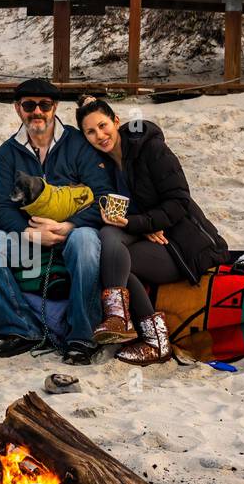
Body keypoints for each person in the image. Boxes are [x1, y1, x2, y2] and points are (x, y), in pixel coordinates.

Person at [76, 96, 229, 365]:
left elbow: (179, 200)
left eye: (103, 125)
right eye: (90, 131)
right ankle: (126, 323)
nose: (100, 135)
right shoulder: (103, 165)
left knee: (116, 256)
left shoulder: (151, 149)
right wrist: (141, 224)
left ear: (116, 121)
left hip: (181, 244)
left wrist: (143, 223)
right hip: (145, 233)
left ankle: (147, 335)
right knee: (109, 239)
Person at [0, 78, 113, 366]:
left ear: (55, 107)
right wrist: (28, 232)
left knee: (87, 240)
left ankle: (82, 337)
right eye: (29, 105)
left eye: (44, 105)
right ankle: (20, 329)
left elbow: (102, 194)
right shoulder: (9, 151)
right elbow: (1, 206)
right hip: (29, 239)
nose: (37, 111)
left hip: (72, 236)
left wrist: (69, 226)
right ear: (17, 109)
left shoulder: (77, 142)